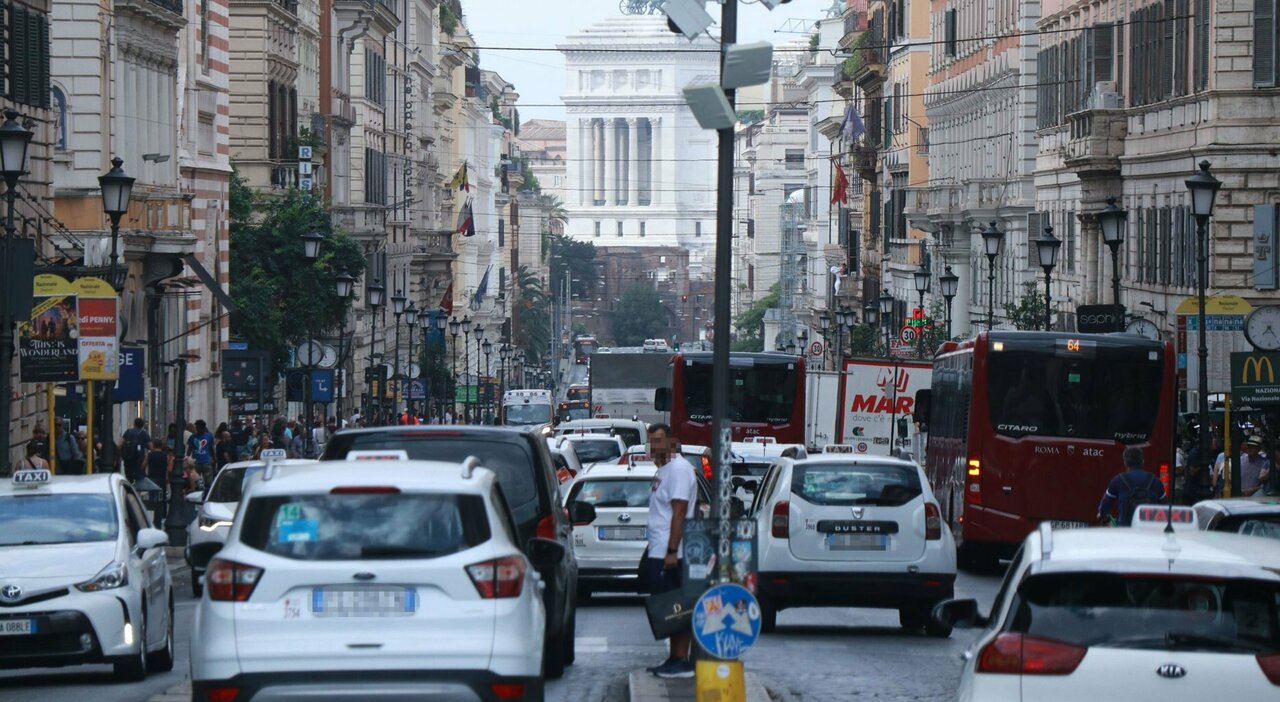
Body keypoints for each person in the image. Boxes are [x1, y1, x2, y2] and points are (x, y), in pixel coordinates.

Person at [644, 422, 699, 679]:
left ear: (670, 441)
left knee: (678, 606)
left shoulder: (678, 469)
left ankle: (682, 659)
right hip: (659, 548)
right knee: (668, 606)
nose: (653, 446)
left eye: (658, 440)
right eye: (650, 441)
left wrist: (671, 550)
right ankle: (674, 657)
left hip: (673, 551)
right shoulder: (664, 469)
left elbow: (679, 512)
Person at [1097, 447, 1166, 526]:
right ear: (1142, 461)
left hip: (1125, 528)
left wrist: (1102, 514)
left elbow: (1105, 505)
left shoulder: (1118, 480)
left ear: (1125, 463)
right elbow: (1165, 506)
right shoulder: (1155, 481)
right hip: (1149, 528)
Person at [120, 418, 151, 482]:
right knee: (139, 479)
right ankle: (137, 488)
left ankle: (130, 487)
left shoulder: (128, 432)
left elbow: (120, 444)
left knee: (129, 479)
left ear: (134, 424)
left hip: (128, 460)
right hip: (139, 460)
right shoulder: (144, 434)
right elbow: (151, 447)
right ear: (143, 425)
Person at [187, 419, 215, 484]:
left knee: (208, 482)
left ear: (203, 428)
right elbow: (189, 449)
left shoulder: (209, 436)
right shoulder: (192, 437)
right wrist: (187, 458)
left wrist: (214, 459)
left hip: (206, 462)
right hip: (196, 463)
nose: (198, 429)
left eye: (199, 427)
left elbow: (212, 449)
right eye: (197, 427)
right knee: (196, 482)